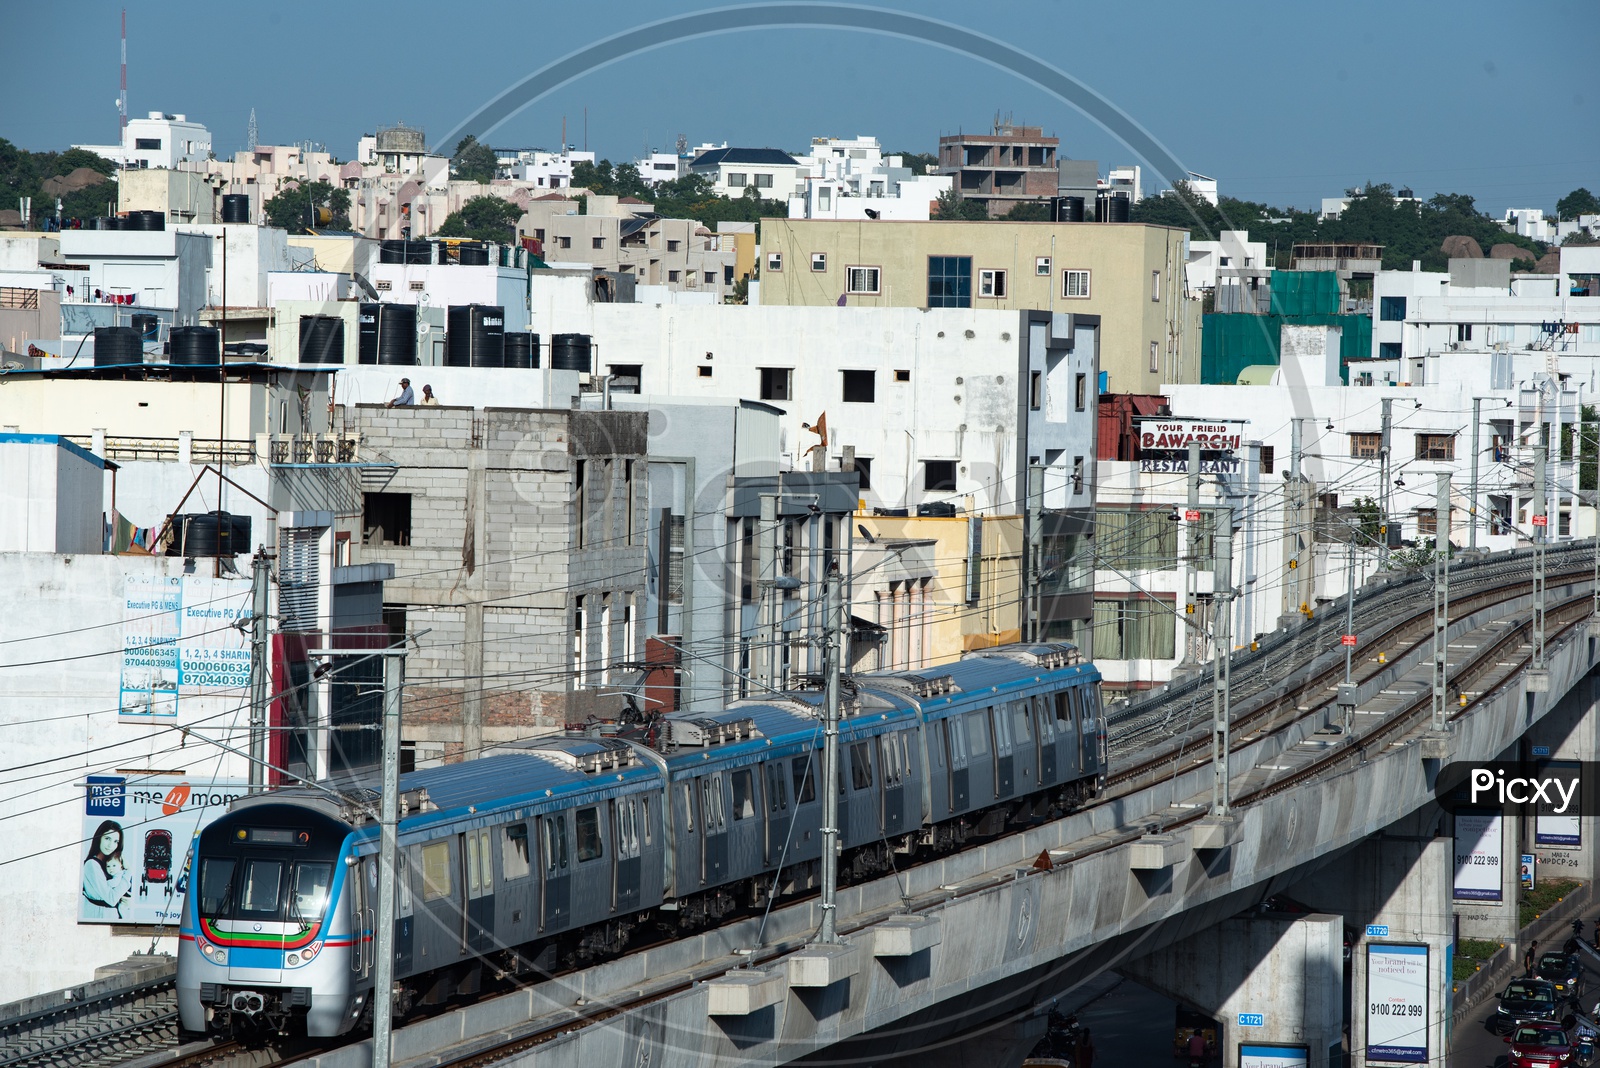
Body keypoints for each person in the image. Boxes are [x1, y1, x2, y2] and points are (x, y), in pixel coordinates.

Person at [82, 820, 134, 920]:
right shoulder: (92, 864)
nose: (111, 845)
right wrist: (128, 873)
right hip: (97, 917)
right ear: (99, 838)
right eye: (107, 838)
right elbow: (112, 899)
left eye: (116, 841)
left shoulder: (111, 863)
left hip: (112, 916)